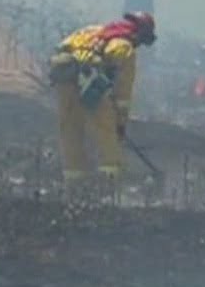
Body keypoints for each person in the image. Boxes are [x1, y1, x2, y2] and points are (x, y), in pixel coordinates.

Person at [48, 12, 157, 185]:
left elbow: (62, 46)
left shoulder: (93, 30)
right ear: (140, 34)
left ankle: (74, 181)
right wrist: (119, 123)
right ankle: (110, 180)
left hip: (64, 78)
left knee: (70, 128)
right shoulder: (124, 47)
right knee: (106, 130)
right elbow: (123, 94)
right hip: (91, 83)